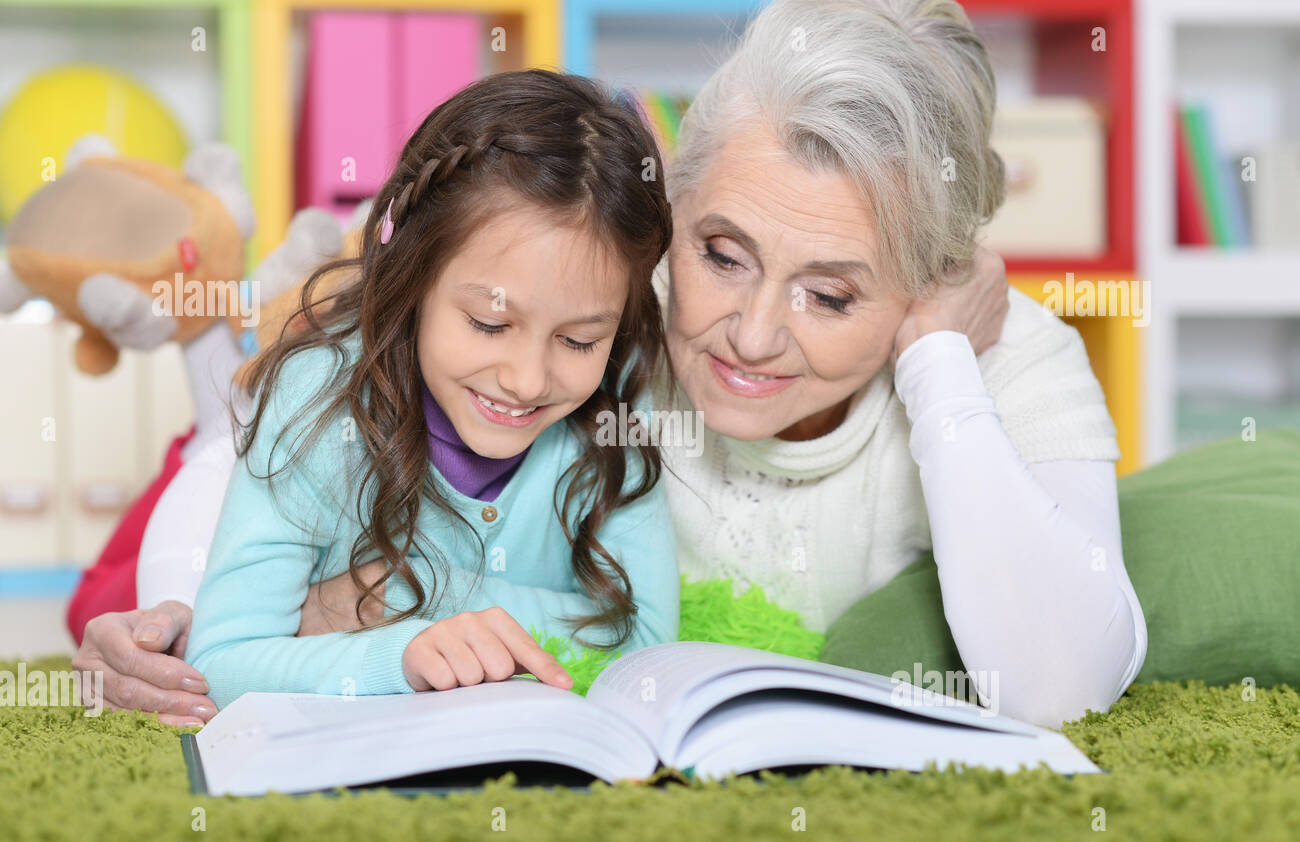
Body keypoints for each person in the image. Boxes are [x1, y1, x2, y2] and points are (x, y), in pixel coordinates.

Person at [77, 0, 1145, 729]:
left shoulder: (998, 364)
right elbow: (282, 424)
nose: (752, 334)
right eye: (721, 251)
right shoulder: (607, 300)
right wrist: (174, 609)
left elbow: (1059, 685)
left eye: (831, 293)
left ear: (932, 273)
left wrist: (941, 366)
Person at [173, 69, 678, 709]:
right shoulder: (317, 400)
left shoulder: (617, 404)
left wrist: (412, 593)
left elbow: (649, 641)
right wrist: (402, 655)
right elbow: (220, 662)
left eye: (579, 341)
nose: (526, 381)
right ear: (413, 275)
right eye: (489, 323)